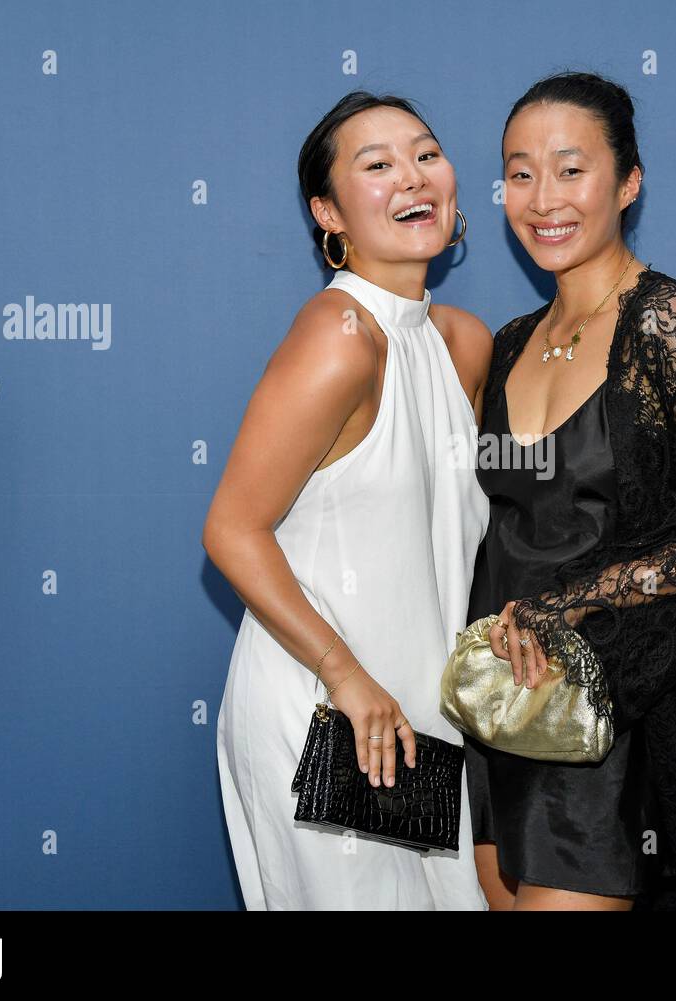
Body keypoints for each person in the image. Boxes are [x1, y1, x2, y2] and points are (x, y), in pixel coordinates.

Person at [464, 71, 676, 911]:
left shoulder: (665, 320)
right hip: (499, 724)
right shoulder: (505, 345)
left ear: (629, 181)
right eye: (521, 171)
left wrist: (574, 607)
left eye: (571, 168)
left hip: (604, 724)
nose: (543, 197)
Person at [204, 91, 493, 910]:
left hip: (422, 729)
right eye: (377, 165)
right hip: (328, 717)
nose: (412, 176)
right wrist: (344, 672)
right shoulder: (339, 336)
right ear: (327, 212)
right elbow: (232, 527)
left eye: (426, 154)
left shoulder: (463, 344)